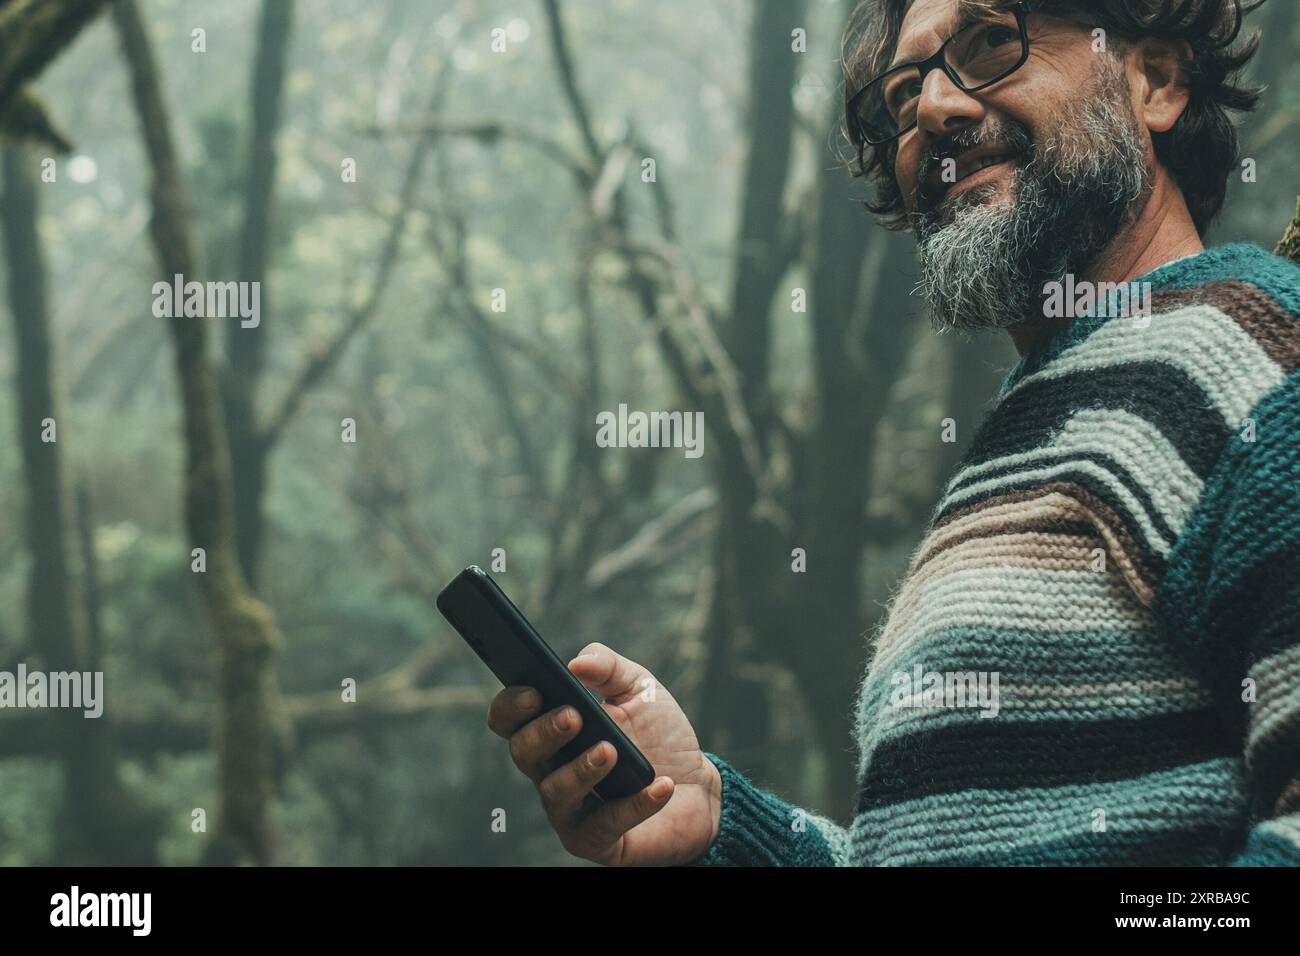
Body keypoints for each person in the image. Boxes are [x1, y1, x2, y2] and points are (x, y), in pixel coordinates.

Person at [487, 0, 1300, 865]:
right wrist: (720, 821)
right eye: (905, 93)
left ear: (1155, 81)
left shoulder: (1250, 363)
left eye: (992, 43)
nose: (936, 111)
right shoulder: (1040, 426)